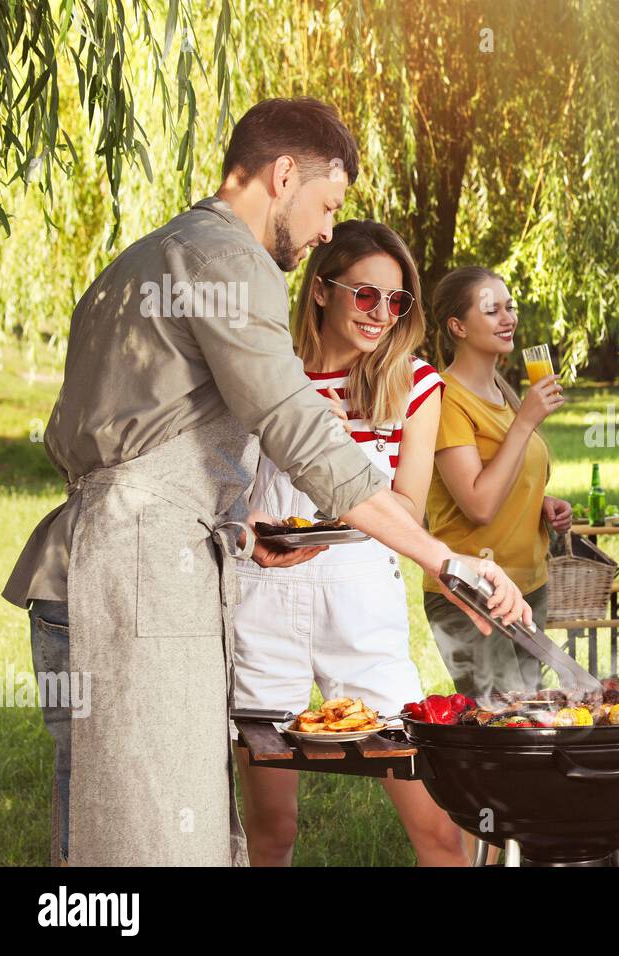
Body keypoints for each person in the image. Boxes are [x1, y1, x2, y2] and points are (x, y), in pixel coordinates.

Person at [4, 98, 531, 867]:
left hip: (78, 577)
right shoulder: (234, 262)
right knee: (150, 837)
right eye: (327, 205)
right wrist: (444, 560)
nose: (325, 231)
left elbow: (112, 440)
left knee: (92, 827)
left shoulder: (137, 261)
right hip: (136, 582)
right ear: (285, 175)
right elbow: (302, 431)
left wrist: (234, 524)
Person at [230, 219, 467, 866]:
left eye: (397, 302)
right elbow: (232, 495)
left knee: (442, 831)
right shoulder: (265, 372)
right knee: (271, 830)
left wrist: (335, 448)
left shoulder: (414, 385)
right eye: (366, 295)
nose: (382, 314)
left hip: (363, 599)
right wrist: (291, 416)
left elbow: (409, 513)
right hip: (262, 596)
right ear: (321, 291)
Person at [423, 267, 574, 699]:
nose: (508, 318)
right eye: (492, 310)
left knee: (529, 720)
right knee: (501, 723)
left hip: (527, 587)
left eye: (510, 307)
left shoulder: (505, 394)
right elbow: (479, 504)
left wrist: (540, 501)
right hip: (472, 592)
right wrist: (526, 421)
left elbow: (508, 476)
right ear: (458, 326)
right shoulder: (446, 398)